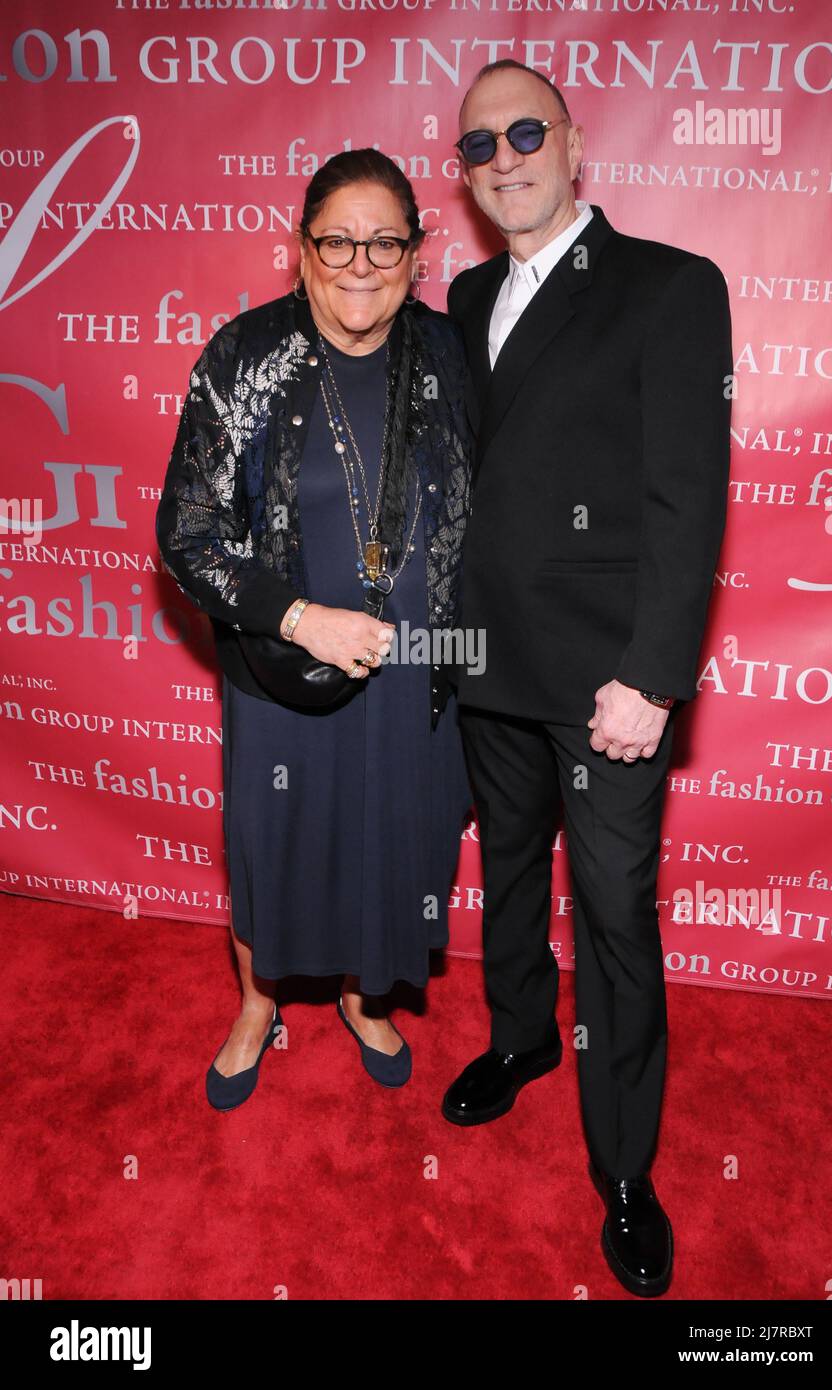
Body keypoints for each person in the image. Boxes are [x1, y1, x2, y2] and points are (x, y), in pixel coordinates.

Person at [442, 60, 732, 1297]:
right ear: (462, 173)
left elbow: (686, 496)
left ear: (572, 144)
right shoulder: (461, 296)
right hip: (485, 658)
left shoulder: (667, 285)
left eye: (524, 132)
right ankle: (520, 1037)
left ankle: (623, 1168)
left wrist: (651, 680)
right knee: (508, 870)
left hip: (606, 680)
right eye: (477, 145)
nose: (502, 158)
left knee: (612, 914)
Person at [156, 149, 473, 1110]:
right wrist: (300, 620)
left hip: (416, 667)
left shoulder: (449, 353)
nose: (360, 264)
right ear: (301, 250)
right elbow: (186, 535)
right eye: (337, 241)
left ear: (415, 254)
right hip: (281, 668)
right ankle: (258, 1004)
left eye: (384, 243)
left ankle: (361, 995)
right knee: (275, 840)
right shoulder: (246, 355)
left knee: (395, 838)